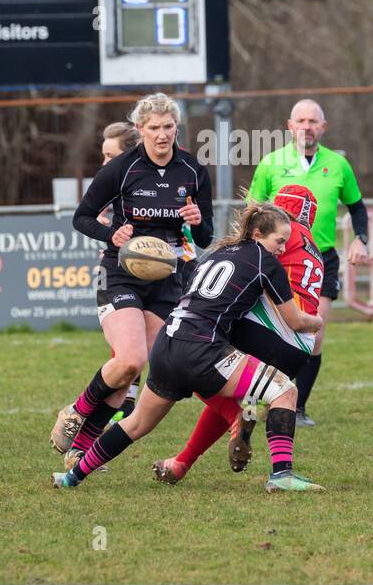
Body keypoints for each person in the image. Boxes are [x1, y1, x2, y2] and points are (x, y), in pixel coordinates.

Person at [52, 204, 325, 492]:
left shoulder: (216, 254)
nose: (282, 249)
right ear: (258, 234)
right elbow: (294, 321)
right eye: (279, 241)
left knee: (136, 424)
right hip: (203, 350)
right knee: (285, 391)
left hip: (166, 346)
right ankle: (282, 475)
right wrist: (316, 322)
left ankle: (71, 477)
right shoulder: (265, 262)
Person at [52, 93, 212, 459]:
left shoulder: (192, 171)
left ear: (176, 128)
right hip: (120, 274)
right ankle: (77, 410)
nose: (162, 135)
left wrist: (198, 223)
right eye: (154, 128)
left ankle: (80, 449)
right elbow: (82, 217)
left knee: (141, 368)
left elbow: (204, 237)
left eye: (168, 127)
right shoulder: (121, 167)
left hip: (165, 279)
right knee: (129, 361)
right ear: (140, 129)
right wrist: (112, 234)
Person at [152, 184, 324, 483]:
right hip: (299, 349)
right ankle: (182, 463)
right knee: (222, 381)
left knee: (187, 352)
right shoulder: (315, 248)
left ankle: (234, 418)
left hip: (271, 329)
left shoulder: (280, 235)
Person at [247, 99, 370, 426]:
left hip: (321, 258)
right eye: (300, 120)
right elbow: (252, 212)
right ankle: (252, 400)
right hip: (276, 258)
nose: (306, 126)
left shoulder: (338, 165)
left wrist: (361, 238)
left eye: (313, 121)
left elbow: (357, 207)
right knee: (262, 329)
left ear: (323, 127)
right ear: (289, 125)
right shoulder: (271, 163)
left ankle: (297, 407)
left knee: (313, 334)